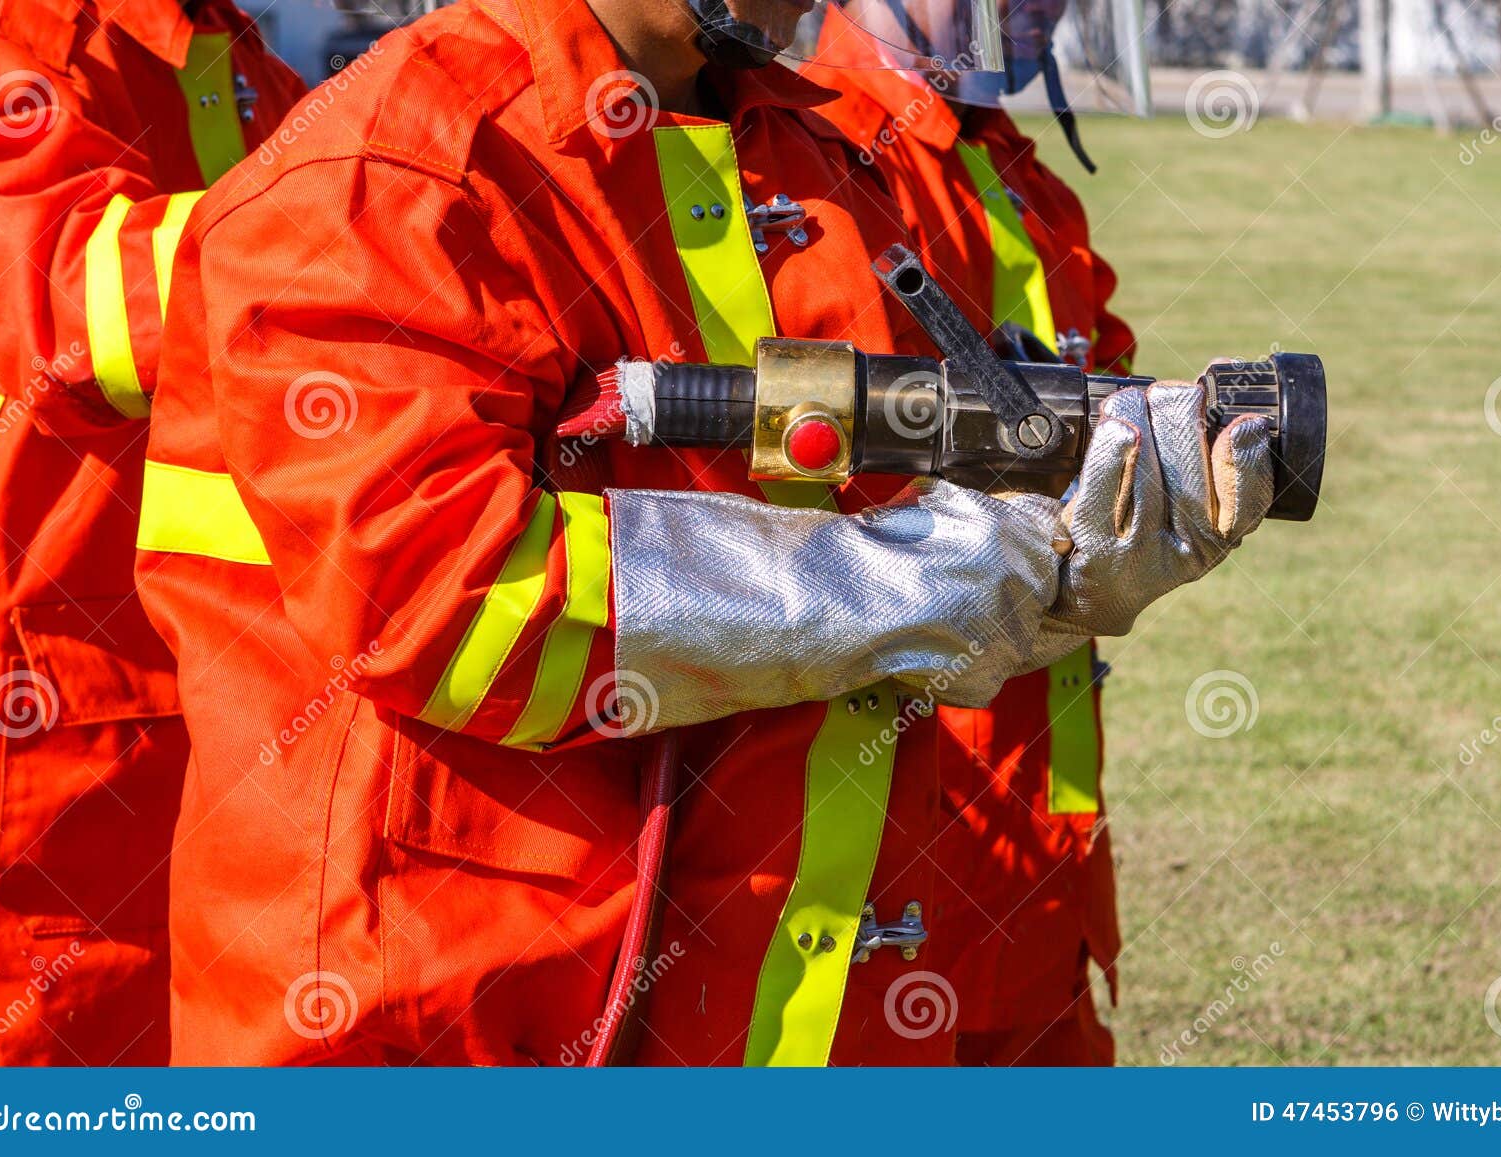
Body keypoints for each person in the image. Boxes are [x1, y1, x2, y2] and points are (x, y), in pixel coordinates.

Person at [135, 0, 1271, 1066]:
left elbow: (891, 518)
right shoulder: (393, 169)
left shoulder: (798, 154)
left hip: (757, 1003)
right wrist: (922, 582)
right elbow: (454, 604)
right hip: (442, 1013)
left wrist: (1067, 561)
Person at [808, 0, 1139, 1065]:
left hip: (1031, 821)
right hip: (910, 834)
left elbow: (1105, 389)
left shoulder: (1003, 166)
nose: (1040, 8)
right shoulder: (817, 169)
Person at [0, 0, 301, 1065]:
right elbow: (69, 305)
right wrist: (370, 206)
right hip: (41, 713)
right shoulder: (5, 39)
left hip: (180, 692)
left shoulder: (222, 52)